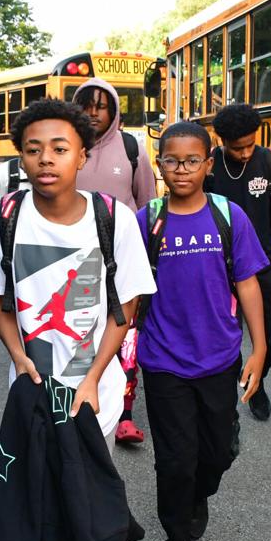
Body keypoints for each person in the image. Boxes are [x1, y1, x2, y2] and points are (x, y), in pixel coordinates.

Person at [0, 99, 156, 541]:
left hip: (95, 393)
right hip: (34, 390)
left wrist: (94, 377)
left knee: (86, 495)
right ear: (21, 158)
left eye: (59, 148)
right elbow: (2, 306)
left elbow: (125, 308)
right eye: (33, 150)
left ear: (82, 155)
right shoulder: (5, 218)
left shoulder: (113, 218)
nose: (46, 159)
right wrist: (20, 359)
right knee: (41, 500)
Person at [136, 121, 268, 541]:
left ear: (208, 165)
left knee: (214, 456)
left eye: (192, 160)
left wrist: (259, 349)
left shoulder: (228, 216)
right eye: (172, 161)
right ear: (160, 165)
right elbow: (129, 290)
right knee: (175, 463)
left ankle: (194, 496)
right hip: (163, 362)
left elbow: (248, 282)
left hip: (218, 359)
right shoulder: (147, 220)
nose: (182, 169)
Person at [72, 79, 157, 444]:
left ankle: (124, 412)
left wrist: (145, 259)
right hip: (76, 261)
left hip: (122, 262)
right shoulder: (68, 148)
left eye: (101, 105)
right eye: (86, 104)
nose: (93, 112)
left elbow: (148, 205)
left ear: (114, 110)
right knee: (80, 328)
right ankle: (79, 395)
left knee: (125, 334)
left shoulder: (131, 149)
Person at [207, 103, 271, 421]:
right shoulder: (210, 166)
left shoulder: (270, 161)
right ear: (222, 142)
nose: (245, 154)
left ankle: (256, 381)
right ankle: (228, 406)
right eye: (237, 148)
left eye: (250, 145)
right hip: (222, 268)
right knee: (226, 340)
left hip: (264, 265)